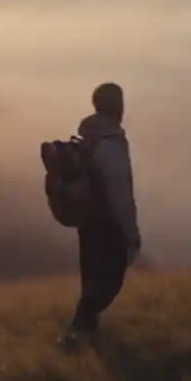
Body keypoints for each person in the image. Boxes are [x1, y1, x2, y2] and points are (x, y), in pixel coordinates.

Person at [62, 82, 141, 346]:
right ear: (118, 106)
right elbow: (120, 192)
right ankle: (76, 334)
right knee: (109, 281)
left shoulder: (89, 137)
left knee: (93, 279)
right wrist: (131, 232)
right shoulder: (111, 144)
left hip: (87, 223)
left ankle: (85, 335)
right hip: (109, 224)